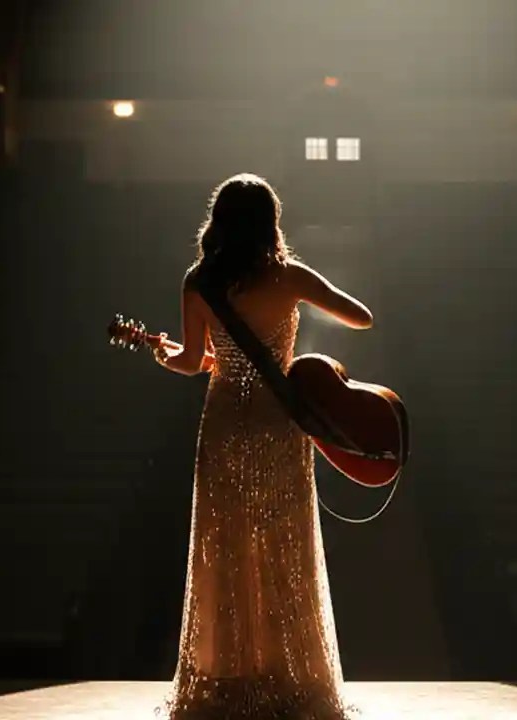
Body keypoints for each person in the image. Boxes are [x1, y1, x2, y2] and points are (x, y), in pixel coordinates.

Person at [151, 173, 373, 718]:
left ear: (219, 222)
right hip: (278, 425)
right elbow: (361, 317)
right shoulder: (289, 276)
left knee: (224, 548)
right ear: (270, 221)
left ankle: (226, 679)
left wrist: (163, 353)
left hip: (226, 424)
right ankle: (290, 678)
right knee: (282, 545)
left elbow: (190, 361)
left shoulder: (198, 281)